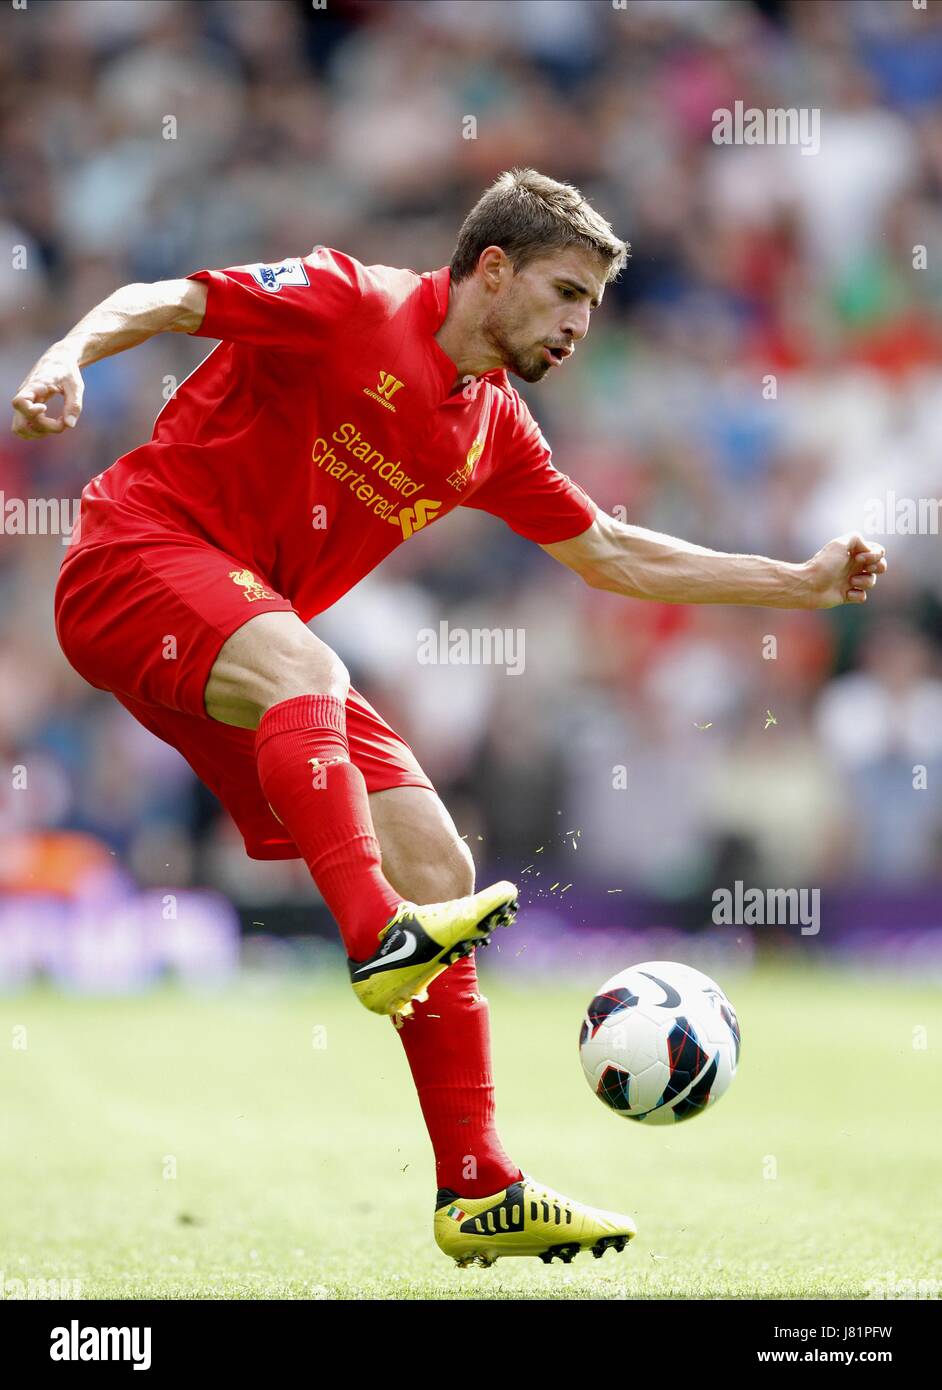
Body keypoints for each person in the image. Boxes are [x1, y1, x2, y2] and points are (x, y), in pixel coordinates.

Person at [11, 168, 886, 1267]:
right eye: (566, 293)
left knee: (437, 856)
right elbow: (169, 297)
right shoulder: (348, 302)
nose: (578, 326)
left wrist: (799, 583)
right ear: (491, 269)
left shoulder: (493, 431)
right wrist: (66, 356)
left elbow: (611, 553)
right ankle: (375, 934)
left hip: (245, 627)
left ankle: (478, 1184)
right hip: (131, 560)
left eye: (593, 309)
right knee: (309, 667)